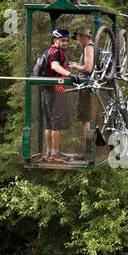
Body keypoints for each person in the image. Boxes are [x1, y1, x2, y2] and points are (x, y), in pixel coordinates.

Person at [40, 27, 72, 162]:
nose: (65, 43)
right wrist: (70, 75)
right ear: (55, 40)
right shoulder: (57, 52)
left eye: (67, 41)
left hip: (45, 92)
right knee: (56, 124)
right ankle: (55, 153)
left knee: (48, 124)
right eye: (62, 40)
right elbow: (54, 66)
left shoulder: (48, 51)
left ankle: (48, 152)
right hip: (55, 92)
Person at [69, 23, 100, 159]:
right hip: (90, 87)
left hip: (86, 88)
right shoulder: (93, 47)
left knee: (86, 120)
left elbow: (88, 68)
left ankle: (88, 152)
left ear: (83, 37)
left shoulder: (88, 48)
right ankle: (90, 150)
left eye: (78, 39)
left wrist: (76, 67)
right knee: (88, 119)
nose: (77, 42)